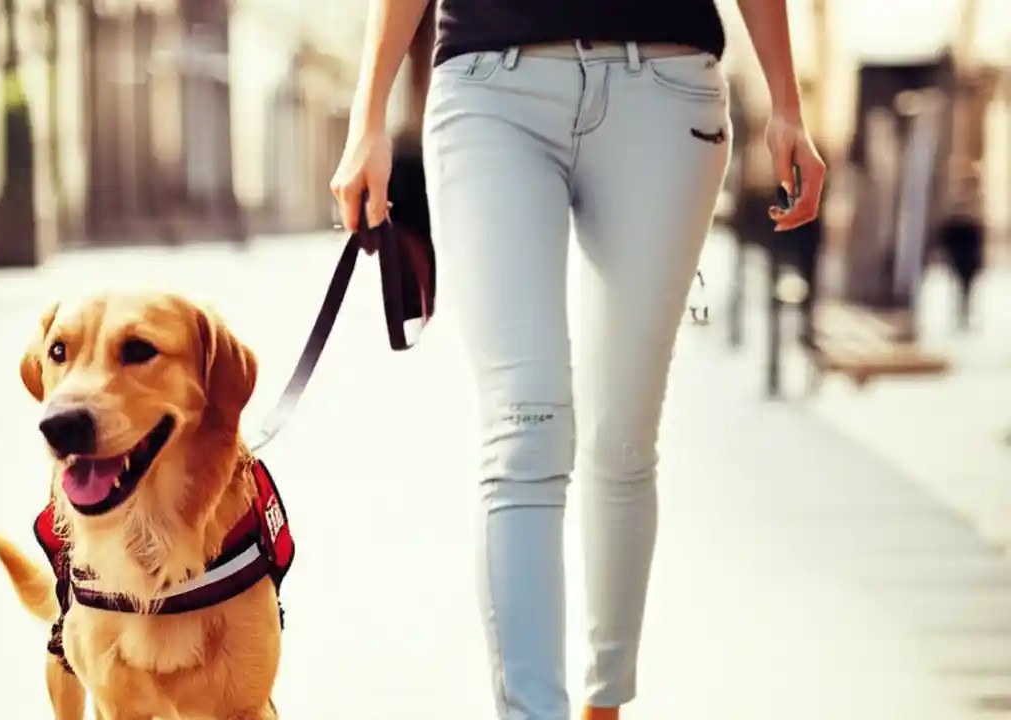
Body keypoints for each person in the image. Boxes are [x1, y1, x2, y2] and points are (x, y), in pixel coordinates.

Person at [330, 0, 825, 718]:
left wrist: (787, 102)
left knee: (622, 436)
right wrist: (367, 114)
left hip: (667, 88)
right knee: (524, 424)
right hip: (489, 89)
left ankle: (605, 702)